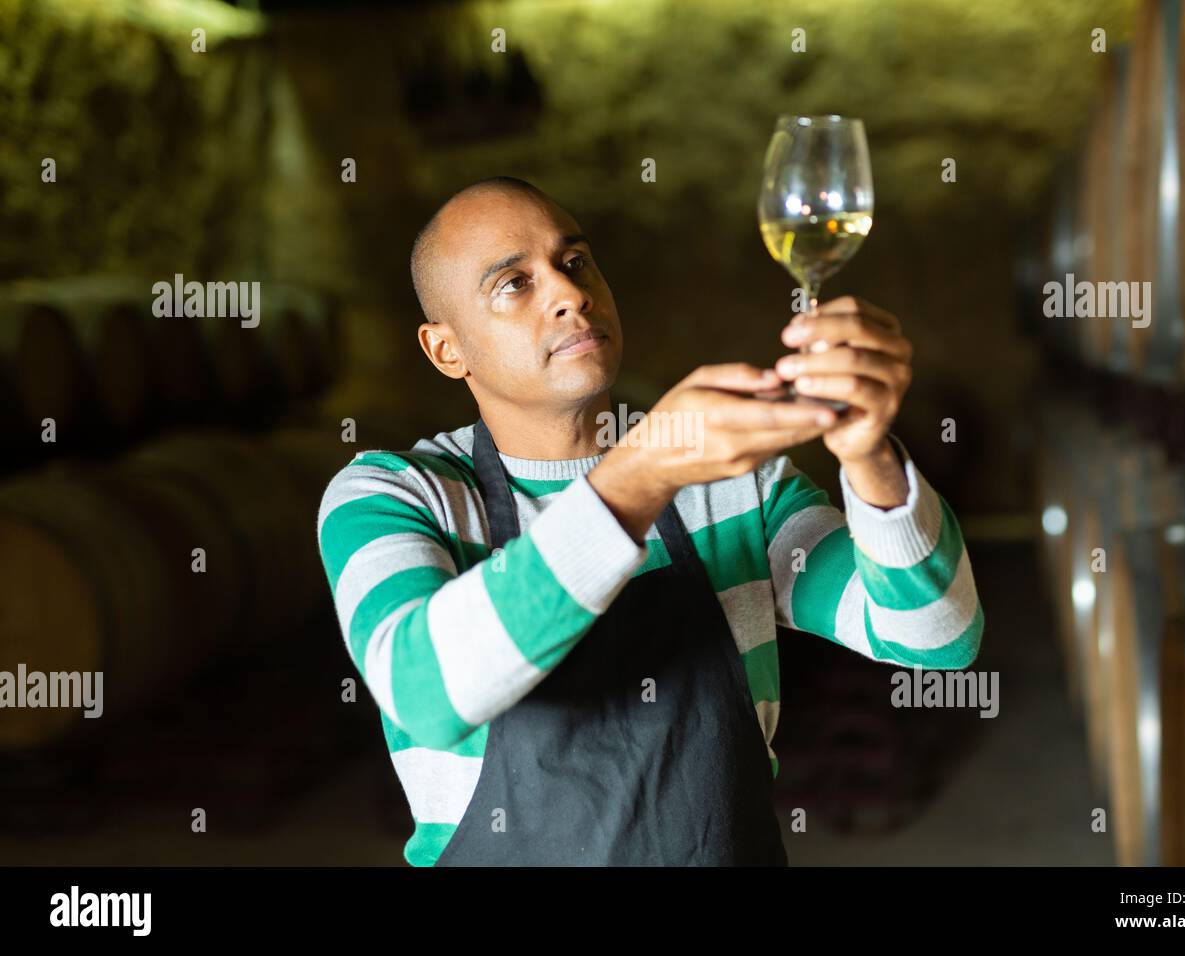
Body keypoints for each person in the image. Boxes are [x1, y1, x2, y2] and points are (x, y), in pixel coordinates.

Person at [315, 175, 983, 866]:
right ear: (445, 349)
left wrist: (866, 450)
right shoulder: (391, 494)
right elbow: (424, 691)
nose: (569, 294)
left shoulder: (733, 487)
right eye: (514, 284)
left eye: (573, 262)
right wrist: (645, 472)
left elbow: (937, 638)